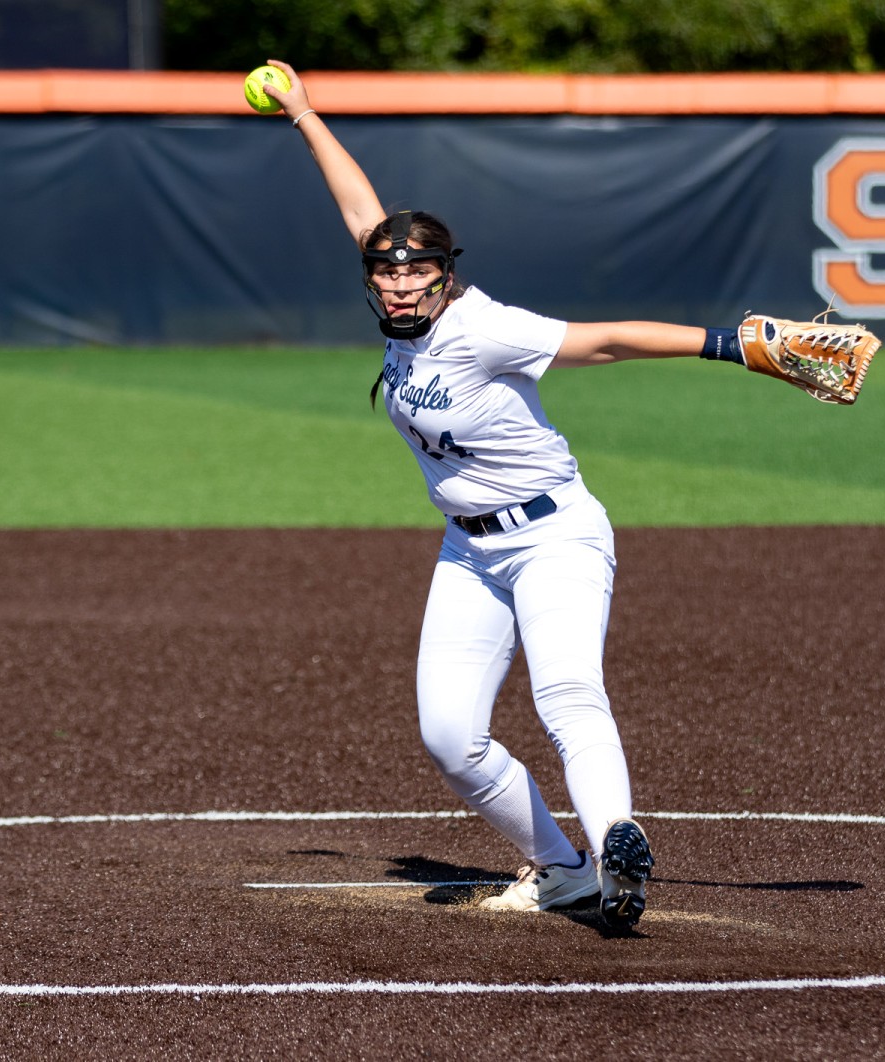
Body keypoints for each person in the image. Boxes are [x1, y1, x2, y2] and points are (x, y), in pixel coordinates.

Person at [258, 60, 807, 932]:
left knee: (566, 692)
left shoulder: (484, 328)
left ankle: (616, 837)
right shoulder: (399, 299)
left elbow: (608, 342)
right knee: (449, 738)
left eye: (418, 274)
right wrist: (305, 114)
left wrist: (727, 345)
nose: (400, 284)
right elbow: (362, 213)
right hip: (468, 550)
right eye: (387, 275)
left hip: (555, 535)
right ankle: (562, 869)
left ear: (446, 277)